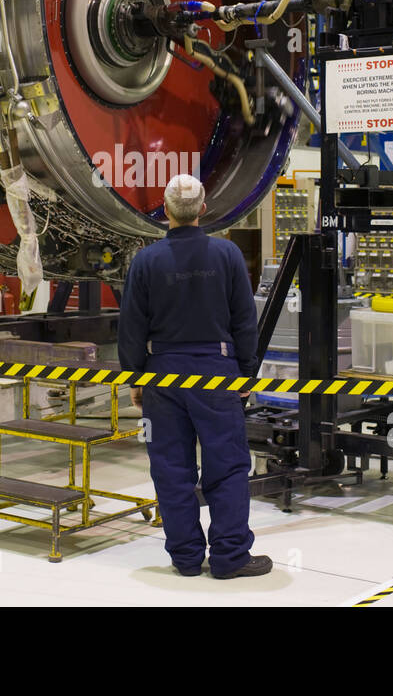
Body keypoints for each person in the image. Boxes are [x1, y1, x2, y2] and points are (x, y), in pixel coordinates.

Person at [117, 173, 272, 579]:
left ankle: (185, 558)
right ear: (203, 209)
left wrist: (137, 379)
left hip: (163, 377)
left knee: (170, 468)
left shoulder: (146, 261)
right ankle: (230, 557)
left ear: (165, 211)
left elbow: (131, 327)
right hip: (217, 374)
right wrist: (245, 375)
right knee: (227, 466)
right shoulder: (227, 255)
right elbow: (245, 321)